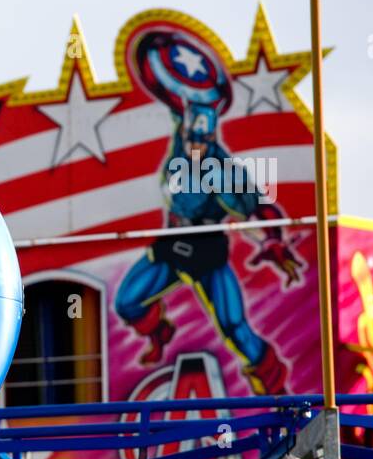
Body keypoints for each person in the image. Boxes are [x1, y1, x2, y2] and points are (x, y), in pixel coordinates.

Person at [116, 31, 301, 394]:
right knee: (127, 300)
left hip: (208, 254)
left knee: (235, 326)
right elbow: (163, 86)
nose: (195, 144)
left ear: (211, 137)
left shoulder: (222, 169)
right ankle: (160, 331)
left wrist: (275, 242)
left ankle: (277, 391)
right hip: (171, 248)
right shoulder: (179, 140)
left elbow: (259, 207)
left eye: (202, 139)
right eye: (191, 137)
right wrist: (158, 53)